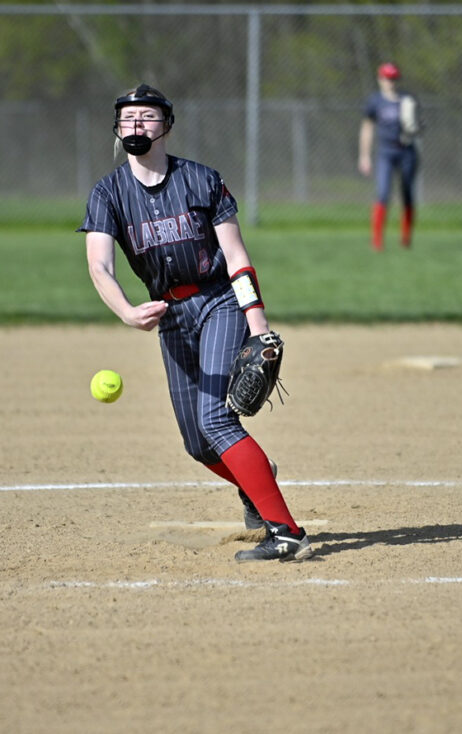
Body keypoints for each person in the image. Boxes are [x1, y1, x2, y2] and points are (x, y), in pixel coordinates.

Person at [77, 84, 314, 564]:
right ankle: (255, 476)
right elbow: (99, 266)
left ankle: (286, 532)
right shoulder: (108, 192)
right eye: (127, 118)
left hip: (218, 300)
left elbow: (236, 255)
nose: (136, 126)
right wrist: (126, 310)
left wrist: (258, 323)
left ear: (165, 125)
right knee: (197, 442)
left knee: (216, 419)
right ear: (117, 128)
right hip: (170, 315)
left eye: (146, 117)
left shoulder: (202, 180)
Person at [358, 62, 423, 251]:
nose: (390, 82)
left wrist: (414, 128)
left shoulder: (407, 99)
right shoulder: (375, 102)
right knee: (383, 193)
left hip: (406, 151)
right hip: (385, 152)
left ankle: (406, 239)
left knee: (407, 194)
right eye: (387, 78)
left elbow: (416, 126)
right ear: (380, 79)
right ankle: (377, 241)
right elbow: (367, 128)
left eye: (393, 78)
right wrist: (364, 155)